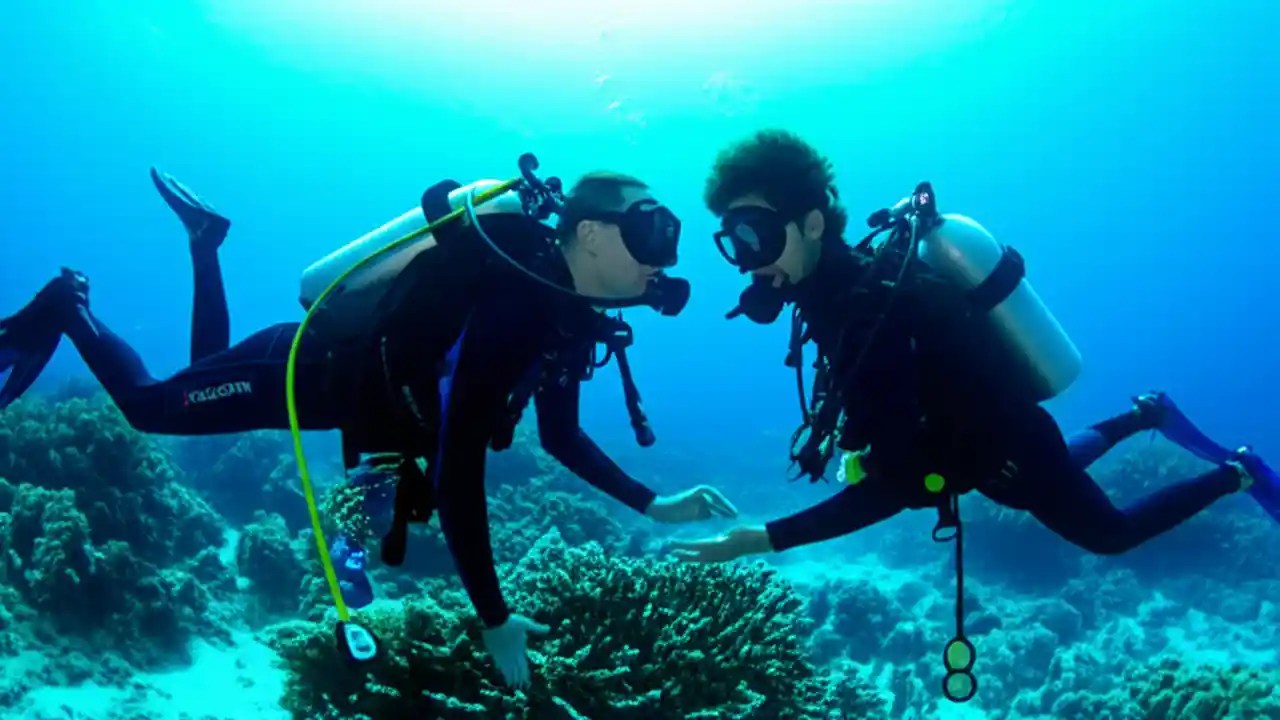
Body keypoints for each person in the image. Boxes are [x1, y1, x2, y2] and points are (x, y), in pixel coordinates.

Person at [0, 164, 739, 688]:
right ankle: (69, 303)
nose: (664, 256)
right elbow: (457, 474)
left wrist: (653, 503)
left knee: (199, 371)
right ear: (593, 235)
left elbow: (561, 437)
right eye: (652, 230)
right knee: (152, 409)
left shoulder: (565, 319)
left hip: (354, 408)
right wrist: (493, 616)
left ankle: (204, 242)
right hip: (297, 372)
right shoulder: (516, 302)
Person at [670, 129, 1275, 701]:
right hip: (986, 447)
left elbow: (895, 488)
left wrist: (767, 538)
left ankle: (1237, 472)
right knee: (1056, 463)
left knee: (1109, 533)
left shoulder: (867, 314)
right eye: (733, 242)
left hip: (1010, 451)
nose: (748, 263)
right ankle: (1143, 415)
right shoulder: (842, 297)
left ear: (812, 223)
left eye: (757, 236)